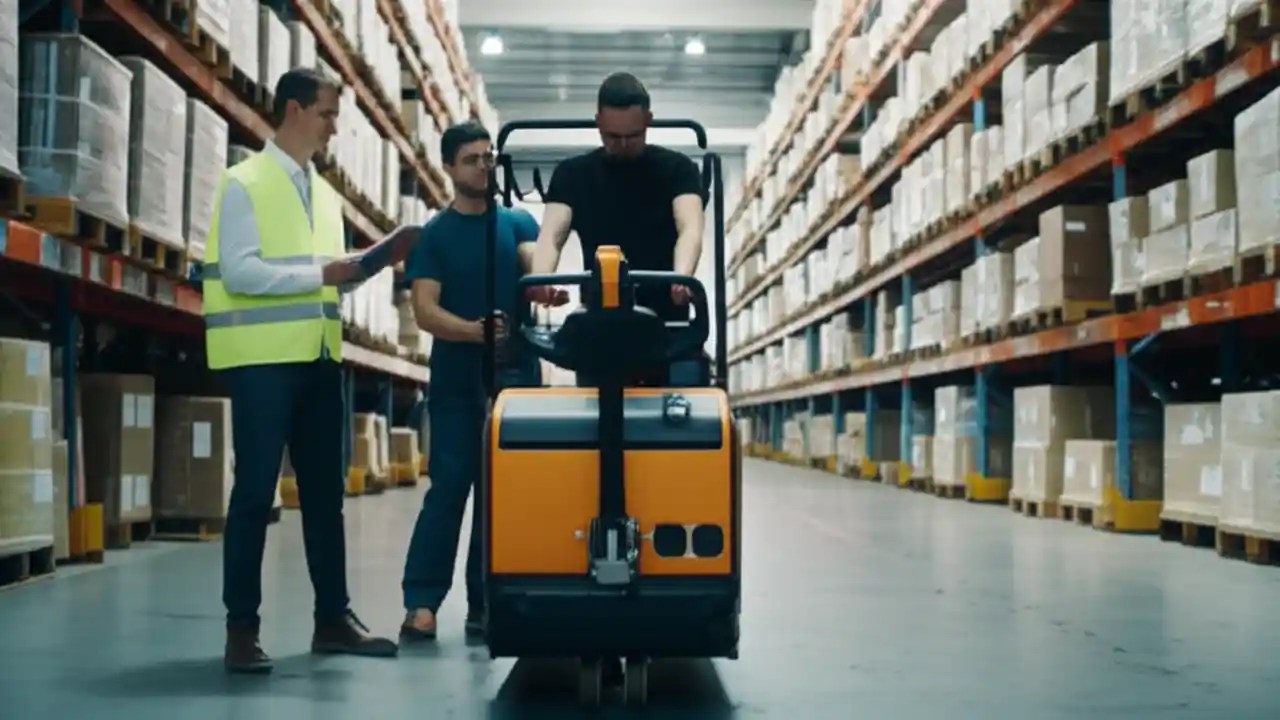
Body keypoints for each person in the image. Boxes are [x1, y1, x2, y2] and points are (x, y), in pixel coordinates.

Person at [205, 67, 415, 674]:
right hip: (263, 362)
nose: (333, 126)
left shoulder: (323, 194)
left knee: (326, 496)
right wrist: (322, 274)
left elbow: (323, 281)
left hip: (320, 359)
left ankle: (333, 619)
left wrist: (365, 267)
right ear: (294, 109)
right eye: (327, 113)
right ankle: (240, 629)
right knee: (253, 497)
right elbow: (240, 272)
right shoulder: (243, 182)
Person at [398, 121, 561, 641]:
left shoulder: (514, 222)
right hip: (456, 378)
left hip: (514, 375)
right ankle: (421, 603)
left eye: (488, 157)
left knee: (503, 491)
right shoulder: (436, 235)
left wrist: (544, 288)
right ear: (448, 166)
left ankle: (485, 602)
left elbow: (531, 261)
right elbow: (424, 309)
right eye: (471, 159)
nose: (484, 167)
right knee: (449, 488)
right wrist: (470, 331)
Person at [528, 72, 707, 327]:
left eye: (633, 136)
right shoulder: (572, 174)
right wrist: (541, 279)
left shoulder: (679, 169)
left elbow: (690, 228)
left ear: (648, 121)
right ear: (598, 122)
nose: (623, 144)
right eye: (613, 136)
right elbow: (551, 236)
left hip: (667, 324)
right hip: (599, 320)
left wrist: (681, 277)